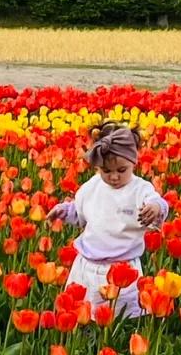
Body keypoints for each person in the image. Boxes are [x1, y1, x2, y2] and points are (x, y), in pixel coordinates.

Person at [47, 121, 169, 318]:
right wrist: (63, 211)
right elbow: (80, 212)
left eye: (121, 170)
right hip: (87, 266)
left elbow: (157, 202)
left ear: (133, 162)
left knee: (122, 318)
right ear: (97, 167)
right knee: (83, 315)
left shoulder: (139, 189)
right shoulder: (92, 187)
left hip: (123, 270)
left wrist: (155, 208)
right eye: (106, 171)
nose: (114, 177)